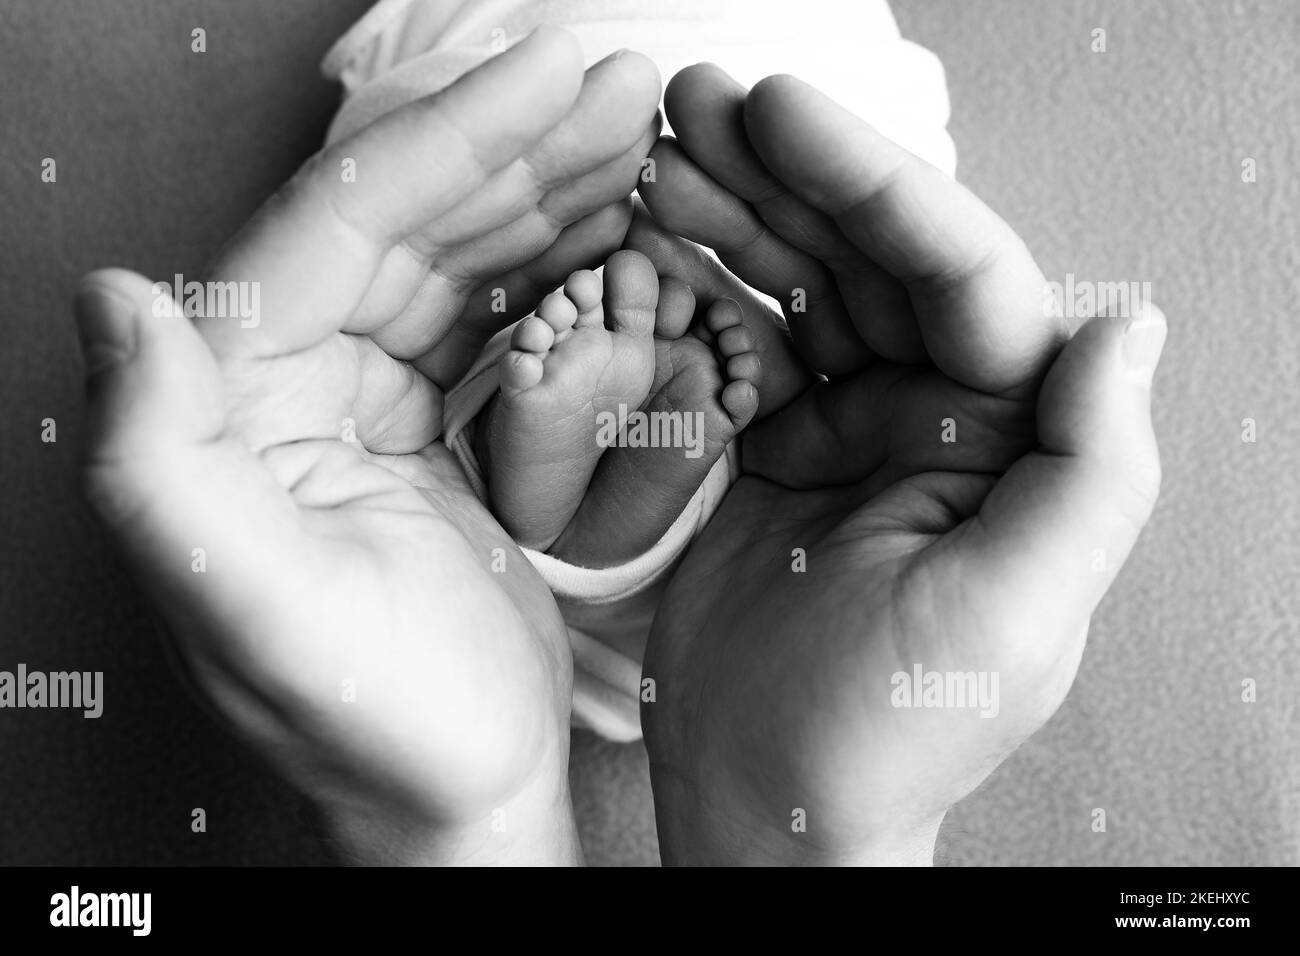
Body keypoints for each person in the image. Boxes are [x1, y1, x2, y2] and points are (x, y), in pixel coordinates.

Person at [72, 29, 1165, 865]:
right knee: (853, 167)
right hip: (787, 472)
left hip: (471, 491)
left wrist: (463, 828)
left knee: (444, 161)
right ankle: (605, 513)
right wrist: (803, 837)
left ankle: (560, 505)